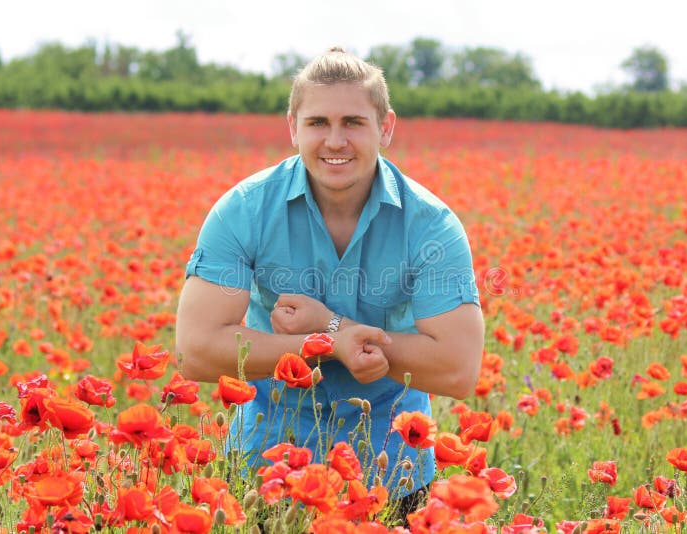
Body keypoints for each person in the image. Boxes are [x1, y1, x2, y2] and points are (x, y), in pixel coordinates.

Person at [176, 47, 484, 512]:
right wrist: (326, 341)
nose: (335, 140)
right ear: (292, 127)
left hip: (389, 470)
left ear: (386, 127)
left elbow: (459, 368)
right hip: (267, 467)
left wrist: (333, 326)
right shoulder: (244, 210)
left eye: (354, 123)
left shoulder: (430, 226)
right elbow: (194, 350)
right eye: (318, 122)